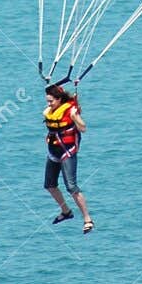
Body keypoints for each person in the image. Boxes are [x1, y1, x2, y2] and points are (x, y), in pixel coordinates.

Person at [43, 82, 93, 233]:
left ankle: (87, 220)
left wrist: (75, 117)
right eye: (48, 101)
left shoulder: (70, 111)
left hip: (67, 151)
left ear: (59, 100)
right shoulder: (51, 111)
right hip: (53, 151)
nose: (49, 104)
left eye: (51, 101)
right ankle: (66, 212)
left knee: (71, 187)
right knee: (49, 185)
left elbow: (83, 128)